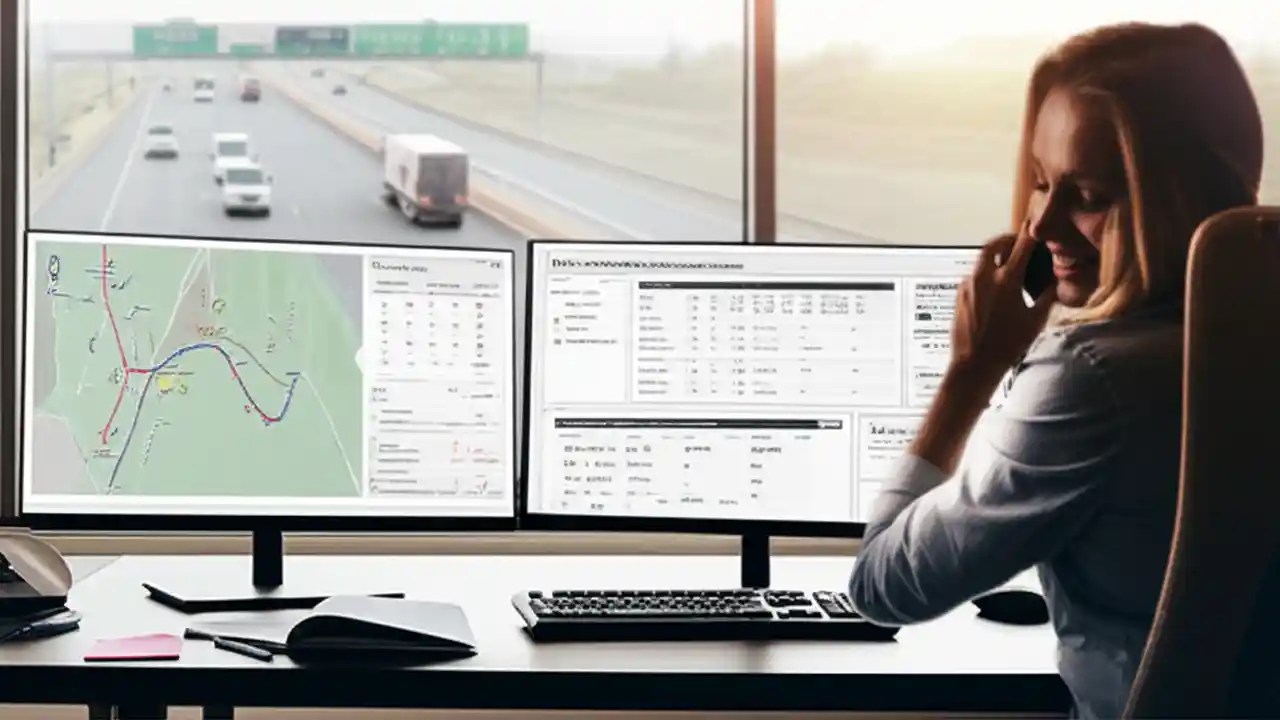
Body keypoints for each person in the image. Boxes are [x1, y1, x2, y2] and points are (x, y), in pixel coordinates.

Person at [847, 22, 1263, 720]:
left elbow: (884, 586)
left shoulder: (1093, 379)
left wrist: (970, 374)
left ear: (1180, 197)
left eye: (1089, 195)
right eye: (1040, 183)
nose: (1039, 226)